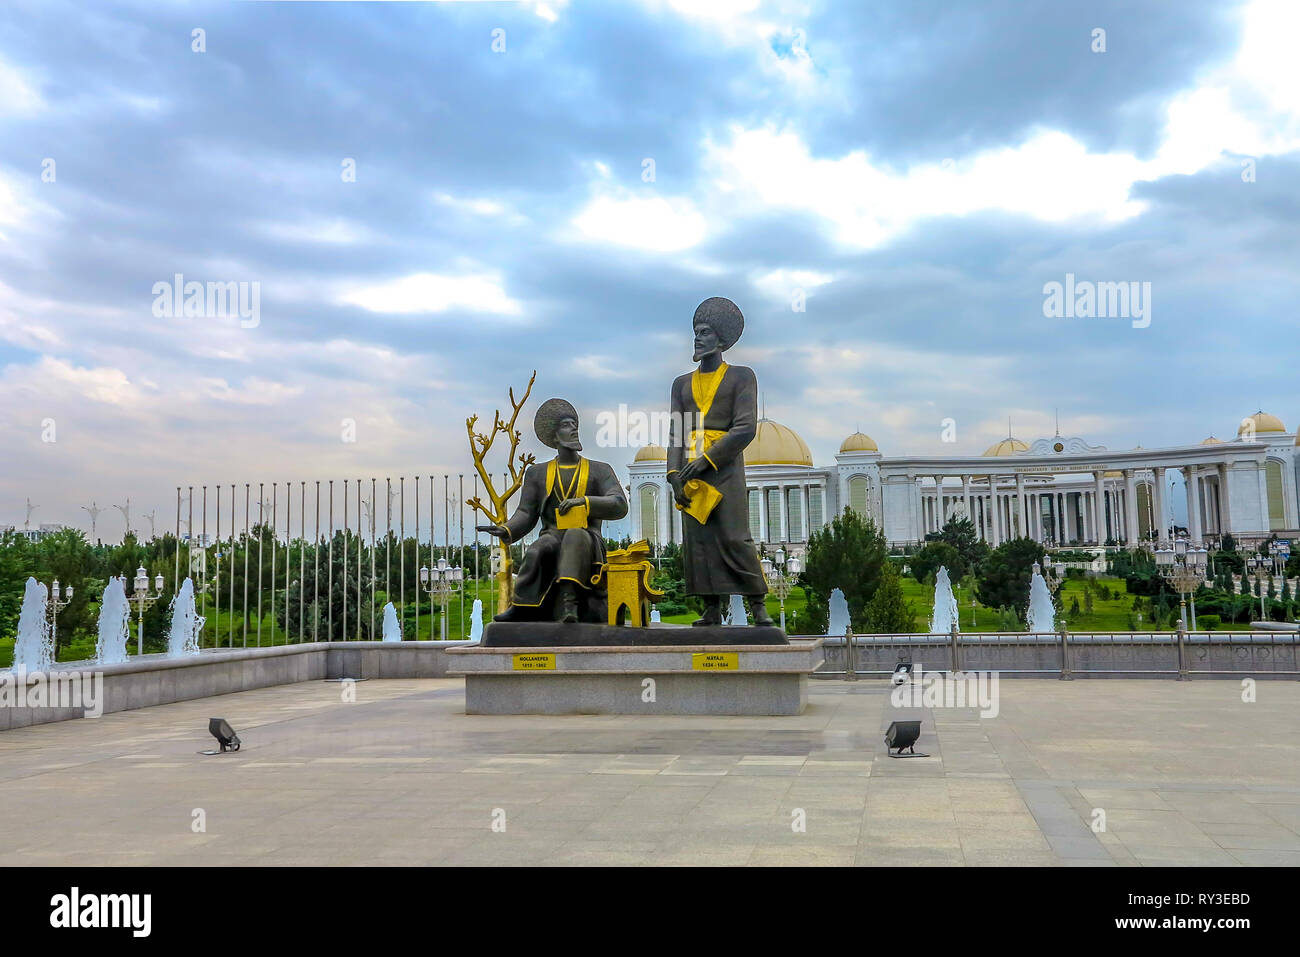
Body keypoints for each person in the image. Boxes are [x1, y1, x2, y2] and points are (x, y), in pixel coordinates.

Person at [667, 297, 773, 627]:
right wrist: (674, 475)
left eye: (705, 332)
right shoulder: (682, 384)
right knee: (699, 541)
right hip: (689, 472)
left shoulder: (742, 376)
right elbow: (676, 432)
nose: (697, 338)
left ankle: (758, 605)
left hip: (723, 467)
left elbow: (744, 428)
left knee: (732, 535)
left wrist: (708, 460)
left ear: (722, 340)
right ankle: (712, 608)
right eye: (695, 332)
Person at [477, 398, 627, 623]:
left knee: (575, 535)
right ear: (554, 437)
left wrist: (584, 502)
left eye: (574, 424)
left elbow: (618, 504)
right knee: (538, 549)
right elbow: (526, 513)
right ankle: (522, 607)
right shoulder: (537, 473)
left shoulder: (599, 470)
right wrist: (507, 530)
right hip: (553, 535)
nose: (574, 429)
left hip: (587, 537)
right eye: (567, 425)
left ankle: (570, 604)